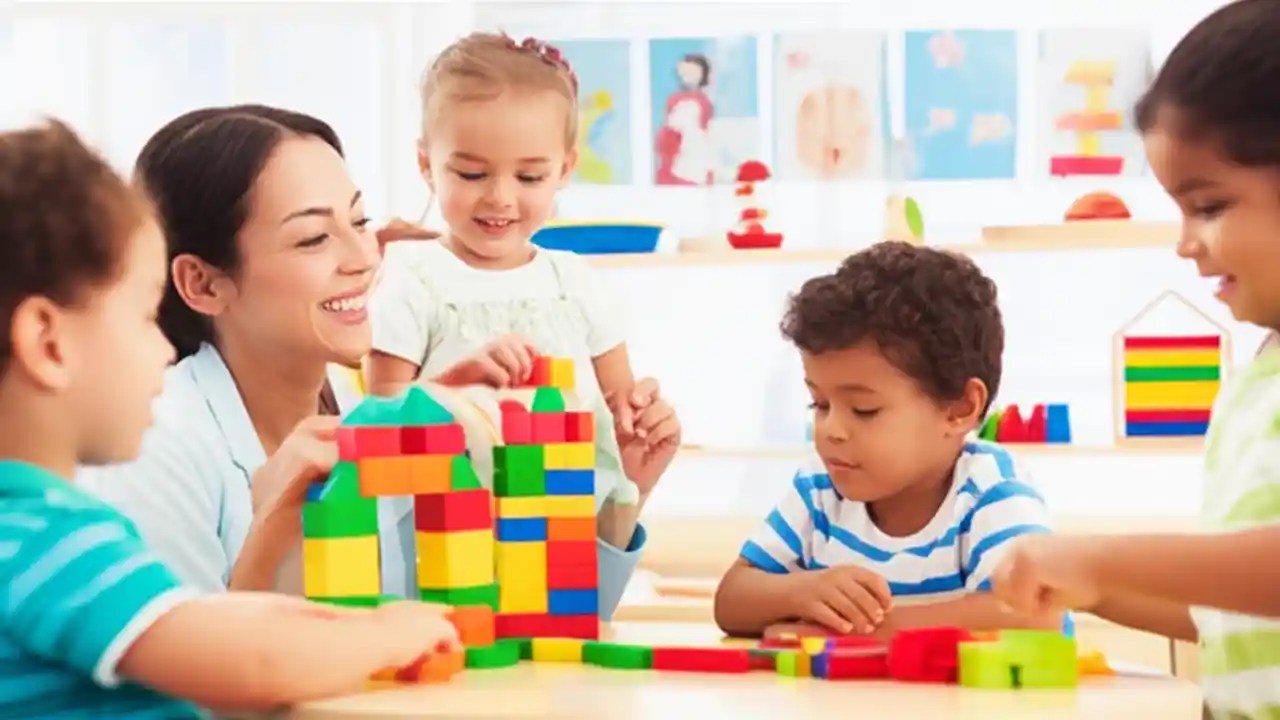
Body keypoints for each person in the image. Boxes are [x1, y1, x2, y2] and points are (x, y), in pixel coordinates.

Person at [0, 119, 459, 718]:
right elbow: (252, 663)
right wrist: (390, 634)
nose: (165, 349)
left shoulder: (46, 531)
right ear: (50, 344)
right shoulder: (50, 544)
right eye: (143, 317)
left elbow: (225, 616)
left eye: (361, 221)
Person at [990, 2, 1280, 717]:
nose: (1185, 242)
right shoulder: (1256, 381)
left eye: (1208, 206)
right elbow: (1239, 611)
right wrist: (1089, 584)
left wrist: (1100, 560)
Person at [79, 105, 498, 598]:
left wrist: (480, 451)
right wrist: (275, 521)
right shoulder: (156, 449)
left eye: (360, 221)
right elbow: (178, 667)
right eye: (314, 238)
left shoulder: (361, 403)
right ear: (204, 283)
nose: (366, 257)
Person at [366, 32, 682, 619]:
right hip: (440, 546)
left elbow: (622, 416)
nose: (500, 198)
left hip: (561, 536)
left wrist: (642, 417)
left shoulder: (575, 282)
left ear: (565, 169)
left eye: (530, 178)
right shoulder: (414, 277)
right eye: (470, 173)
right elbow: (376, 424)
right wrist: (453, 393)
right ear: (424, 164)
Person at [714, 242, 1059, 638]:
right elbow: (731, 600)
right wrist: (798, 592)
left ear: (959, 408)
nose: (831, 430)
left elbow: (1035, 615)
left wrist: (863, 631)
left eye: (864, 410)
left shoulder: (991, 492)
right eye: (820, 404)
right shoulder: (820, 491)